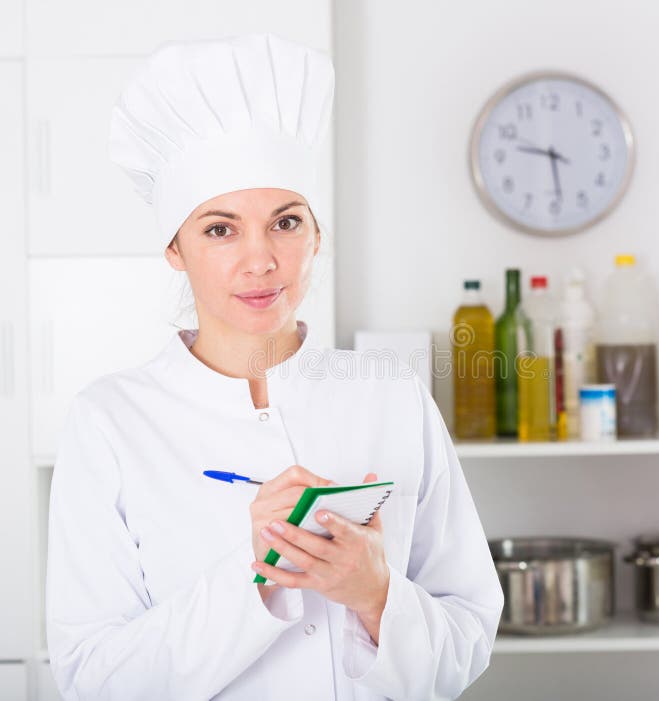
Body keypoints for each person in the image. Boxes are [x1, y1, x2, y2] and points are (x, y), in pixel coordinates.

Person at [45, 32, 504, 701]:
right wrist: (253, 575)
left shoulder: (392, 397)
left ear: (317, 235)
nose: (260, 260)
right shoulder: (110, 422)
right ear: (175, 247)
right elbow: (93, 678)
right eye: (220, 228)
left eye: (286, 222)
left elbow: (468, 638)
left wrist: (377, 597)